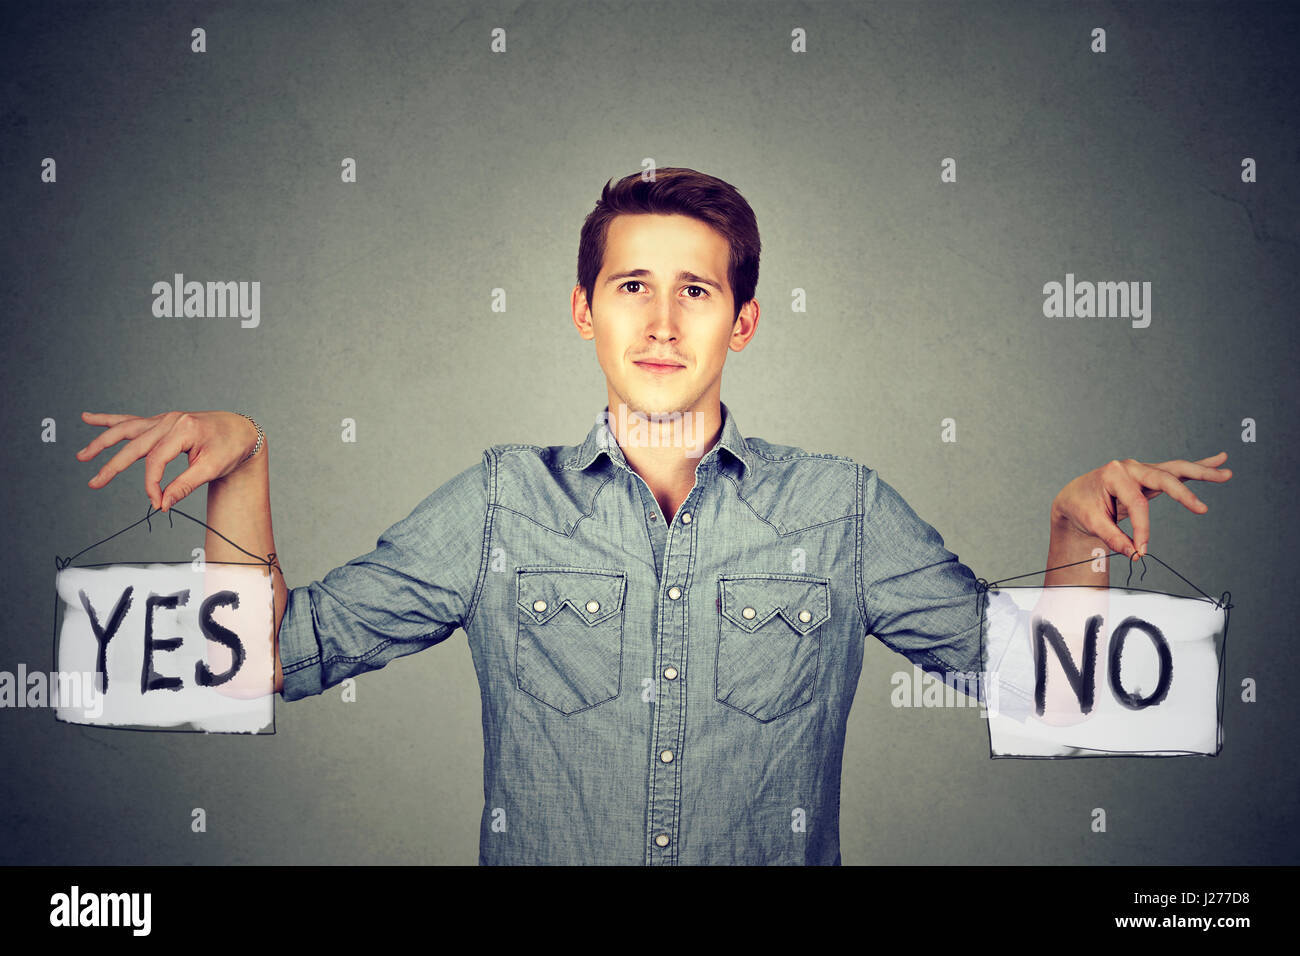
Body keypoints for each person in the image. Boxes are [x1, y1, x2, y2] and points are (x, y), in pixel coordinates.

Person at [75, 167, 1232, 865]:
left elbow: (1039, 692)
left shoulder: (840, 507)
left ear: (745, 321)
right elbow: (268, 661)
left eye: (699, 288)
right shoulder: (497, 501)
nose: (665, 318)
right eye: (633, 285)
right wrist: (245, 468)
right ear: (585, 311)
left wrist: (1075, 538)